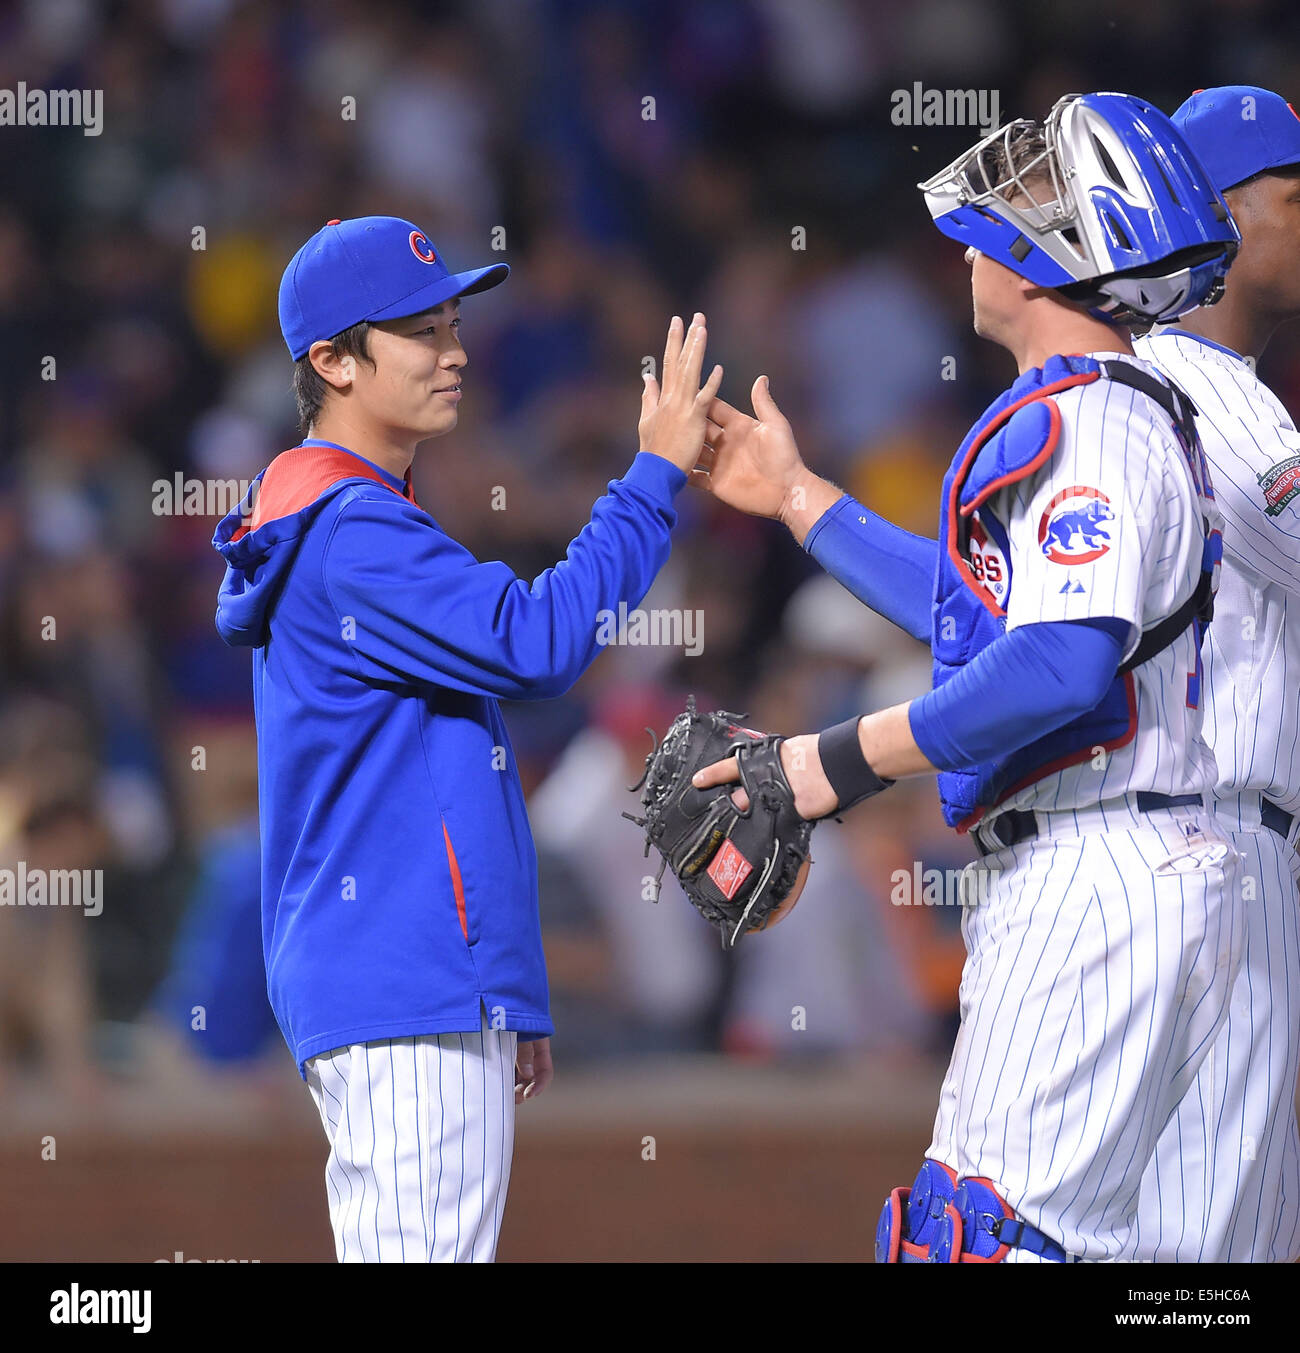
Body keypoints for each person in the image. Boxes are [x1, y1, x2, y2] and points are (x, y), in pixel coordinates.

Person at [692, 94, 1244, 1261]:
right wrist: (802, 500)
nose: (976, 241)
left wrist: (826, 763)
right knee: (1169, 1265)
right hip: (1168, 867)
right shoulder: (1120, 410)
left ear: (1054, 262)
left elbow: (1054, 662)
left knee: (974, 1240)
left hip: (1096, 874)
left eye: (1017, 214)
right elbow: (984, 612)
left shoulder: (1087, 418)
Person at [212, 215, 720, 1262]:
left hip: (408, 977)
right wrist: (653, 478)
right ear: (332, 361)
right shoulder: (350, 529)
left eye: (451, 324)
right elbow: (535, 643)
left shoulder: (348, 516)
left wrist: (502, 981)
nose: (453, 353)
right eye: (417, 332)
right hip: (397, 977)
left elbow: (433, 766)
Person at [1124, 85, 1300, 1263]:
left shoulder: (1140, 389)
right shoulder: (1215, 403)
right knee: (1205, 1258)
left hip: (1175, 849)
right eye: (1298, 198)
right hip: (1214, 846)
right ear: (1227, 219)